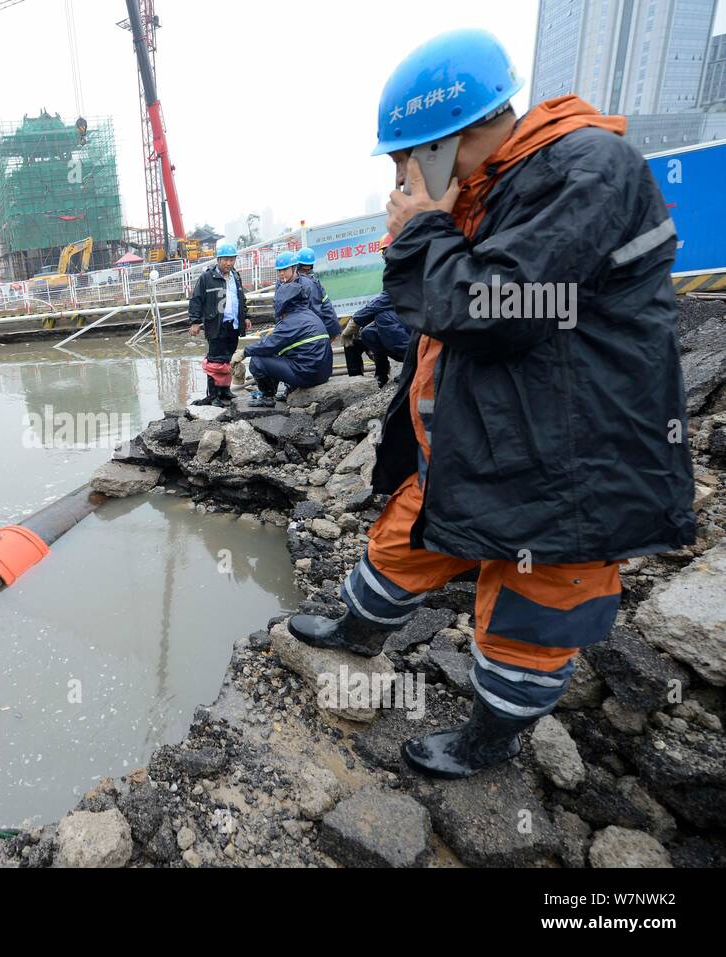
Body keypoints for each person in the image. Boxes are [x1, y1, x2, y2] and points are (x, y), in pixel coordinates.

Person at [282, 28, 695, 779]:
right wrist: (428, 231)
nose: (404, 176)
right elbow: (439, 312)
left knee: (535, 613)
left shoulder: (583, 171)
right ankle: (356, 629)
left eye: (410, 158)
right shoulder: (495, 187)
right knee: (406, 536)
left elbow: (492, 309)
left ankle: (489, 739)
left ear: (449, 141)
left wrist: (423, 231)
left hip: (568, 461)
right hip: (487, 442)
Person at [242, 253, 333, 408]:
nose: (282, 273)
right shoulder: (309, 314)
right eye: (280, 270)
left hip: (308, 375)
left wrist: (244, 352)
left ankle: (267, 396)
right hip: (323, 373)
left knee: (258, 361)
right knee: (285, 351)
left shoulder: (290, 321)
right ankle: (288, 389)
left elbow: (268, 345)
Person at [342, 235, 412, 386]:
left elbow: (385, 300)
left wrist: (355, 321)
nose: (386, 256)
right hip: (406, 318)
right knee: (369, 332)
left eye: (388, 251)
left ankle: (414, 364)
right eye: (384, 253)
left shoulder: (406, 269)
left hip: (418, 322)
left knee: (383, 317)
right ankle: (382, 371)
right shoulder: (395, 270)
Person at [188, 242, 248, 406]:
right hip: (216, 324)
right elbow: (196, 300)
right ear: (219, 259)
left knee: (228, 359)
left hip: (233, 324)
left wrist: (246, 317)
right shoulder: (208, 277)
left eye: (232, 259)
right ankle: (213, 394)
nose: (229, 263)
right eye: (225, 260)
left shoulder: (235, 276)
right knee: (214, 360)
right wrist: (194, 321)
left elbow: (241, 298)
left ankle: (225, 390)